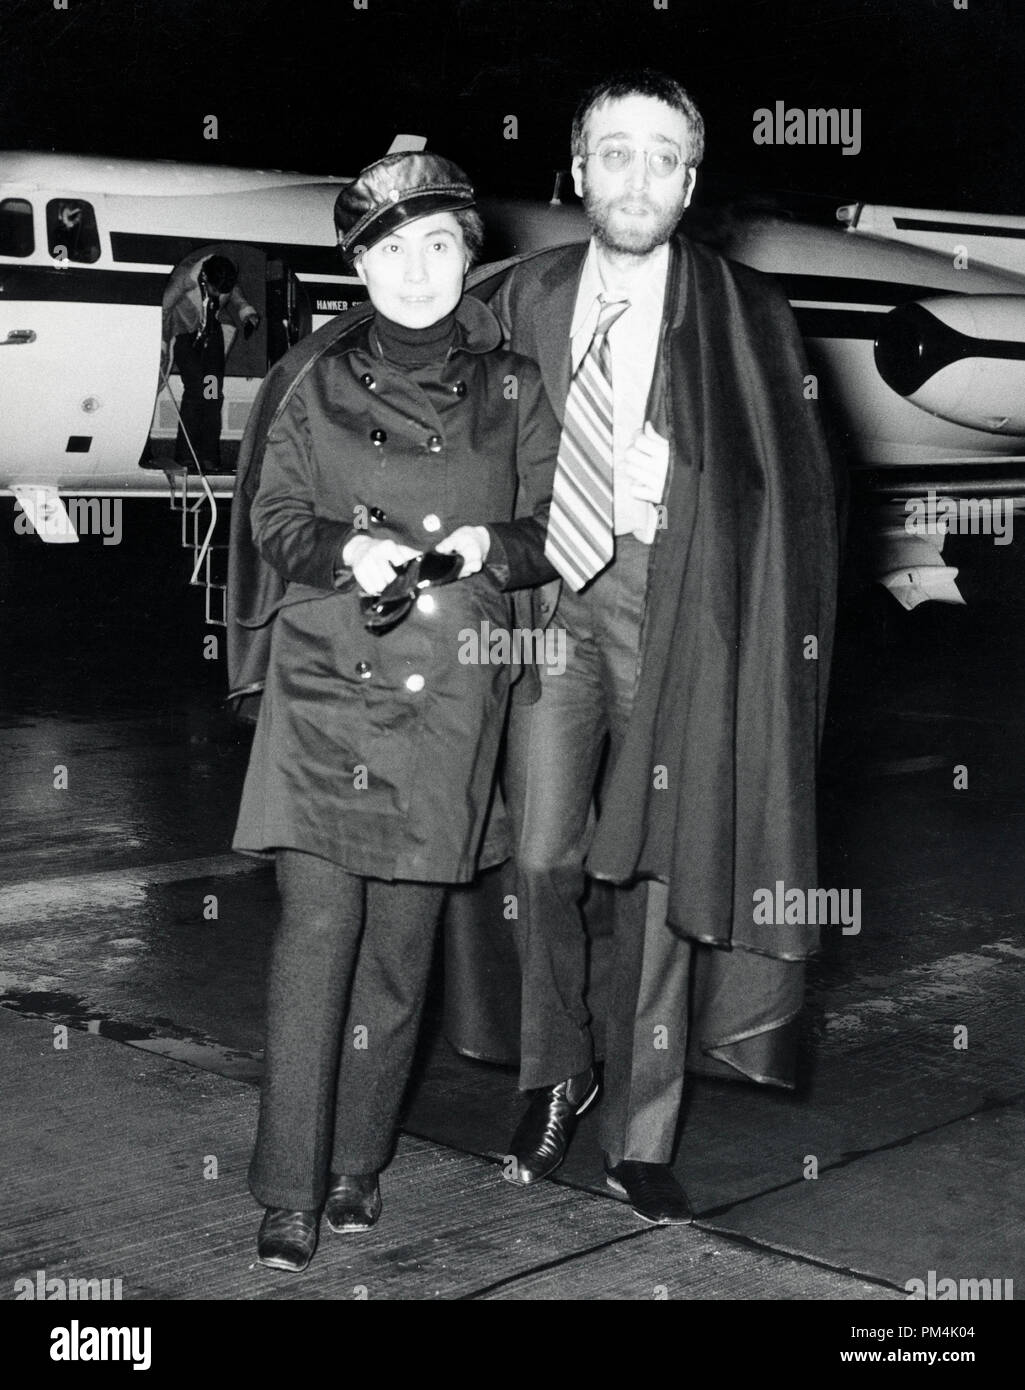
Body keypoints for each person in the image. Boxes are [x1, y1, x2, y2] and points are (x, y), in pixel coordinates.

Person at [490, 70, 841, 1223]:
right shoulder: (515, 297)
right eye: (613, 151)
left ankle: (641, 1131)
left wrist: (684, 488)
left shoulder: (744, 314)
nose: (635, 176)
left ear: (689, 184)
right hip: (546, 612)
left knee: (654, 864)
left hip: (672, 605)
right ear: (577, 168)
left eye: (661, 157)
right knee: (540, 853)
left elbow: (793, 497)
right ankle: (557, 1068)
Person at [231, 151, 559, 1272]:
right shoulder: (308, 380)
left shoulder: (512, 383)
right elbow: (273, 520)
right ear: (357, 264)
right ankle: (286, 1190)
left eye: (437, 246)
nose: (414, 269)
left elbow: (556, 528)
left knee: (400, 953)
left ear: (465, 257)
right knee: (315, 935)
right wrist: (345, 546)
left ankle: (358, 1163)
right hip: (324, 690)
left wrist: (490, 547)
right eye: (388, 248)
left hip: (445, 699)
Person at [162, 252, 260, 469]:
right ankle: (185, 455)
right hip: (184, 333)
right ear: (205, 276)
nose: (218, 294)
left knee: (212, 393)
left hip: (211, 334)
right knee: (196, 390)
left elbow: (233, 291)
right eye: (215, 289)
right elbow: (164, 309)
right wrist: (160, 345)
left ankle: (209, 456)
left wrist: (245, 312)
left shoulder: (224, 276)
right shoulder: (184, 278)